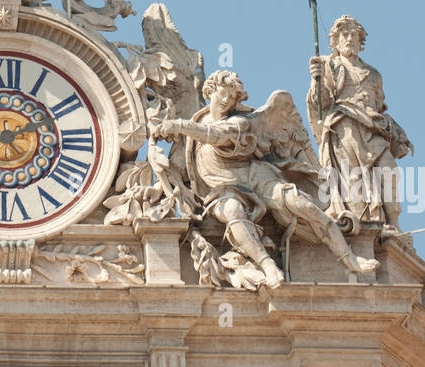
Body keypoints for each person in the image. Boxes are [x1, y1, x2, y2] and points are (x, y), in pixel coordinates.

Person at [155, 69, 378, 287]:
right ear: (209, 91)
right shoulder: (191, 135)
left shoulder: (241, 123)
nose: (226, 100)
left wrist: (177, 125)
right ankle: (268, 265)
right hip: (221, 190)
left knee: (300, 203)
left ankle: (349, 257)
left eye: (232, 97)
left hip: (254, 177)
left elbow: (217, 135)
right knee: (233, 211)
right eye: (222, 92)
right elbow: (175, 169)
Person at [307, 15, 412, 234]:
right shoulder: (329, 65)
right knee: (353, 178)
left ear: (360, 40)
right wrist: (316, 80)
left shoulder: (374, 75)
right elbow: (321, 104)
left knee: (388, 170)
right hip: (344, 129)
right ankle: (362, 228)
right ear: (335, 39)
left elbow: (380, 106)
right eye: (344, 34)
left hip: (372, 130)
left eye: (354, 35)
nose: (350, 39)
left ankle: (392, 223)